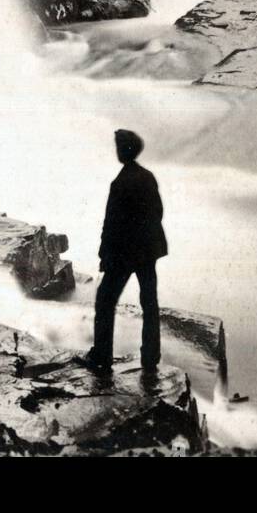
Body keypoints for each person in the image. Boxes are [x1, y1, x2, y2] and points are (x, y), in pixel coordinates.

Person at [83, 129, 167, 373]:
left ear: (124, 151)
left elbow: (111, 224)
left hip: (124, 253)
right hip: (148, 250)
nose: (117, 151)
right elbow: (158, 212)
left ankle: (101, 356)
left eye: (119, 147)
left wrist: (104, 255)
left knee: (105, 301)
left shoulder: (120, 183)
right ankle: (150, 358)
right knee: (149, 303)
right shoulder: (148, 177)